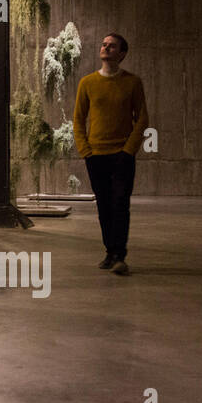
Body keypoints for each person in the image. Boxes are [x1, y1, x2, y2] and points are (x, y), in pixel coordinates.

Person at [72, 33, 149, 276]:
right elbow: (78, 119)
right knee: (104, 206)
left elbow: (142, 119)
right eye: (104, 44)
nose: (106, 48)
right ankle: (110, 251)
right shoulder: (87, 83)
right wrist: (86, 150)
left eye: (112, 46)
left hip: (122, 155)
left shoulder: (133, 83)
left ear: (122, 54)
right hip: (96, 155)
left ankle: (119, 255)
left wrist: (129, 150)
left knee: (120, 204)